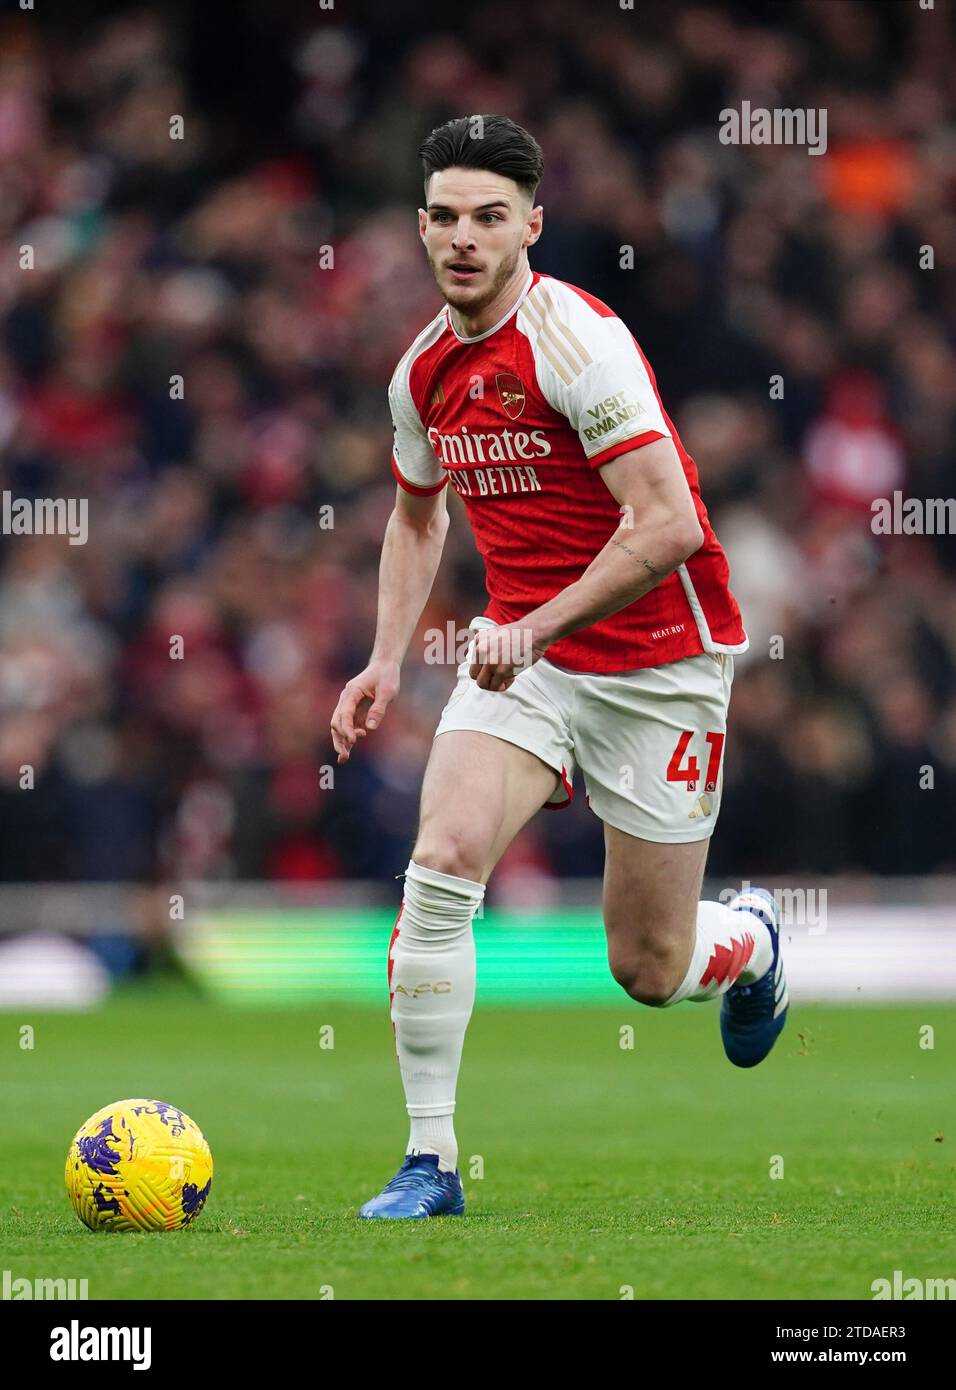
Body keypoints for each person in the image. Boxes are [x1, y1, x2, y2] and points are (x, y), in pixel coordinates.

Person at [330, 115, 788, 1220]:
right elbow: (413, 515)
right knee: (438, 860)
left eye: (489, 216)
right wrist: (384, 658)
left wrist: (533, 626)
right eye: (443, 216)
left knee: (646, 965)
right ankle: (428, 1162)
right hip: (523, 664)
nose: (463, 238)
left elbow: (668, 522)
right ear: (422, 226)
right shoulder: (423, 371)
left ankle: (752, 942)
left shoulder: (579, 341)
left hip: (658, 664)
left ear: (531, 224)